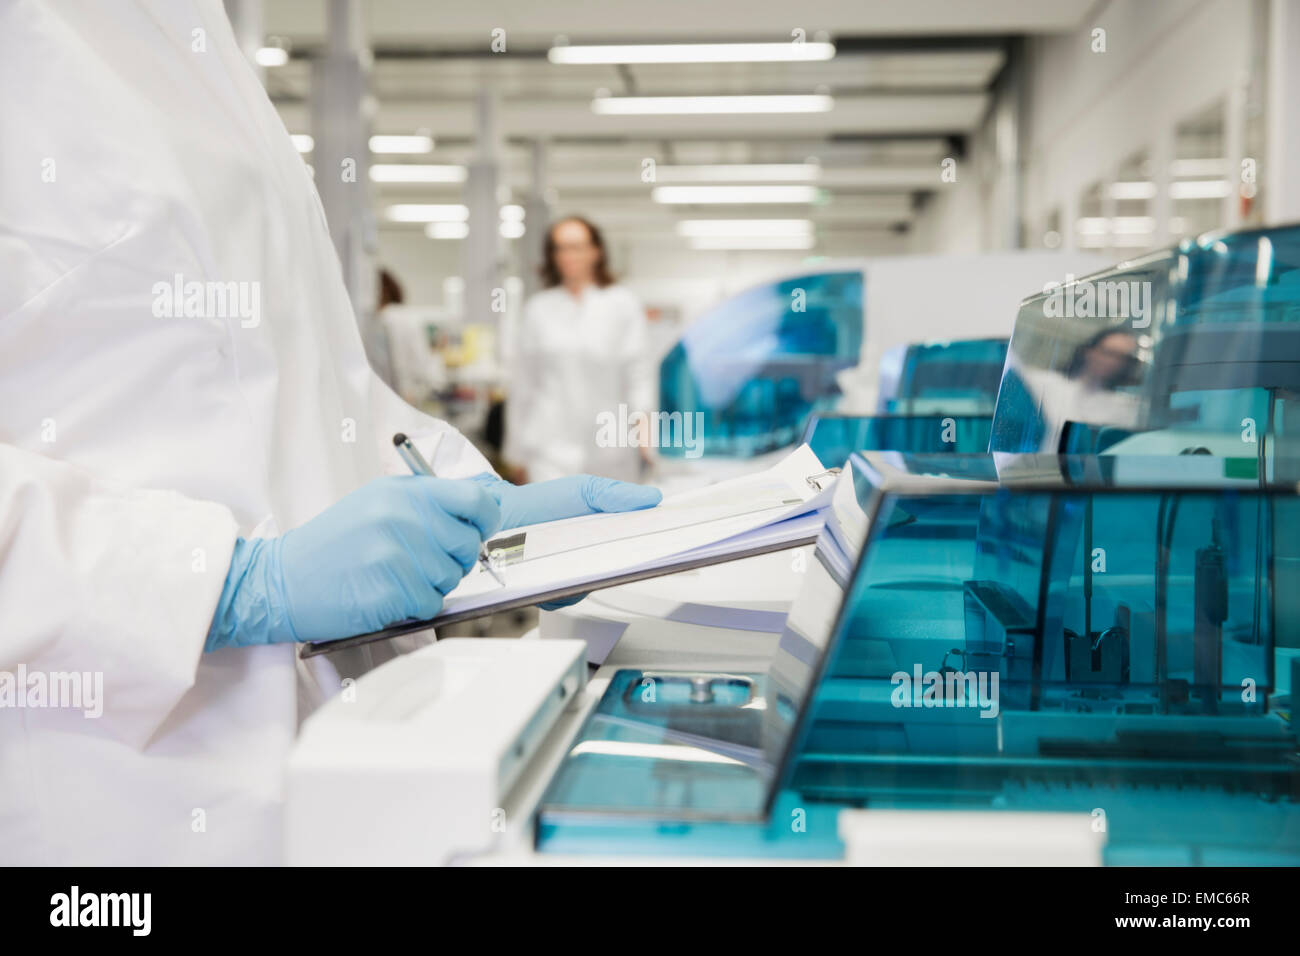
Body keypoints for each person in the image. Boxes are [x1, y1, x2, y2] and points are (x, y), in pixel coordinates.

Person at [0, 0, 659, 866]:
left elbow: (311, 380)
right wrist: (227, 582)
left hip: (337, 754)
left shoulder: (198, 42)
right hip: (115, 798)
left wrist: (488, 506)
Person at [505, 216, 655, 484]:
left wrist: (646, 437)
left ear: (596, 251)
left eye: (576, 246)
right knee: (551, 524)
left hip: (611, 445)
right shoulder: (538, 309)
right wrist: (515, 452)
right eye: (560, 248)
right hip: (548, 449)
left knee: (613, 524)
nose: (567, 256)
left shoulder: (622, 304)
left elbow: (639, 375)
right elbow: (523, 384)